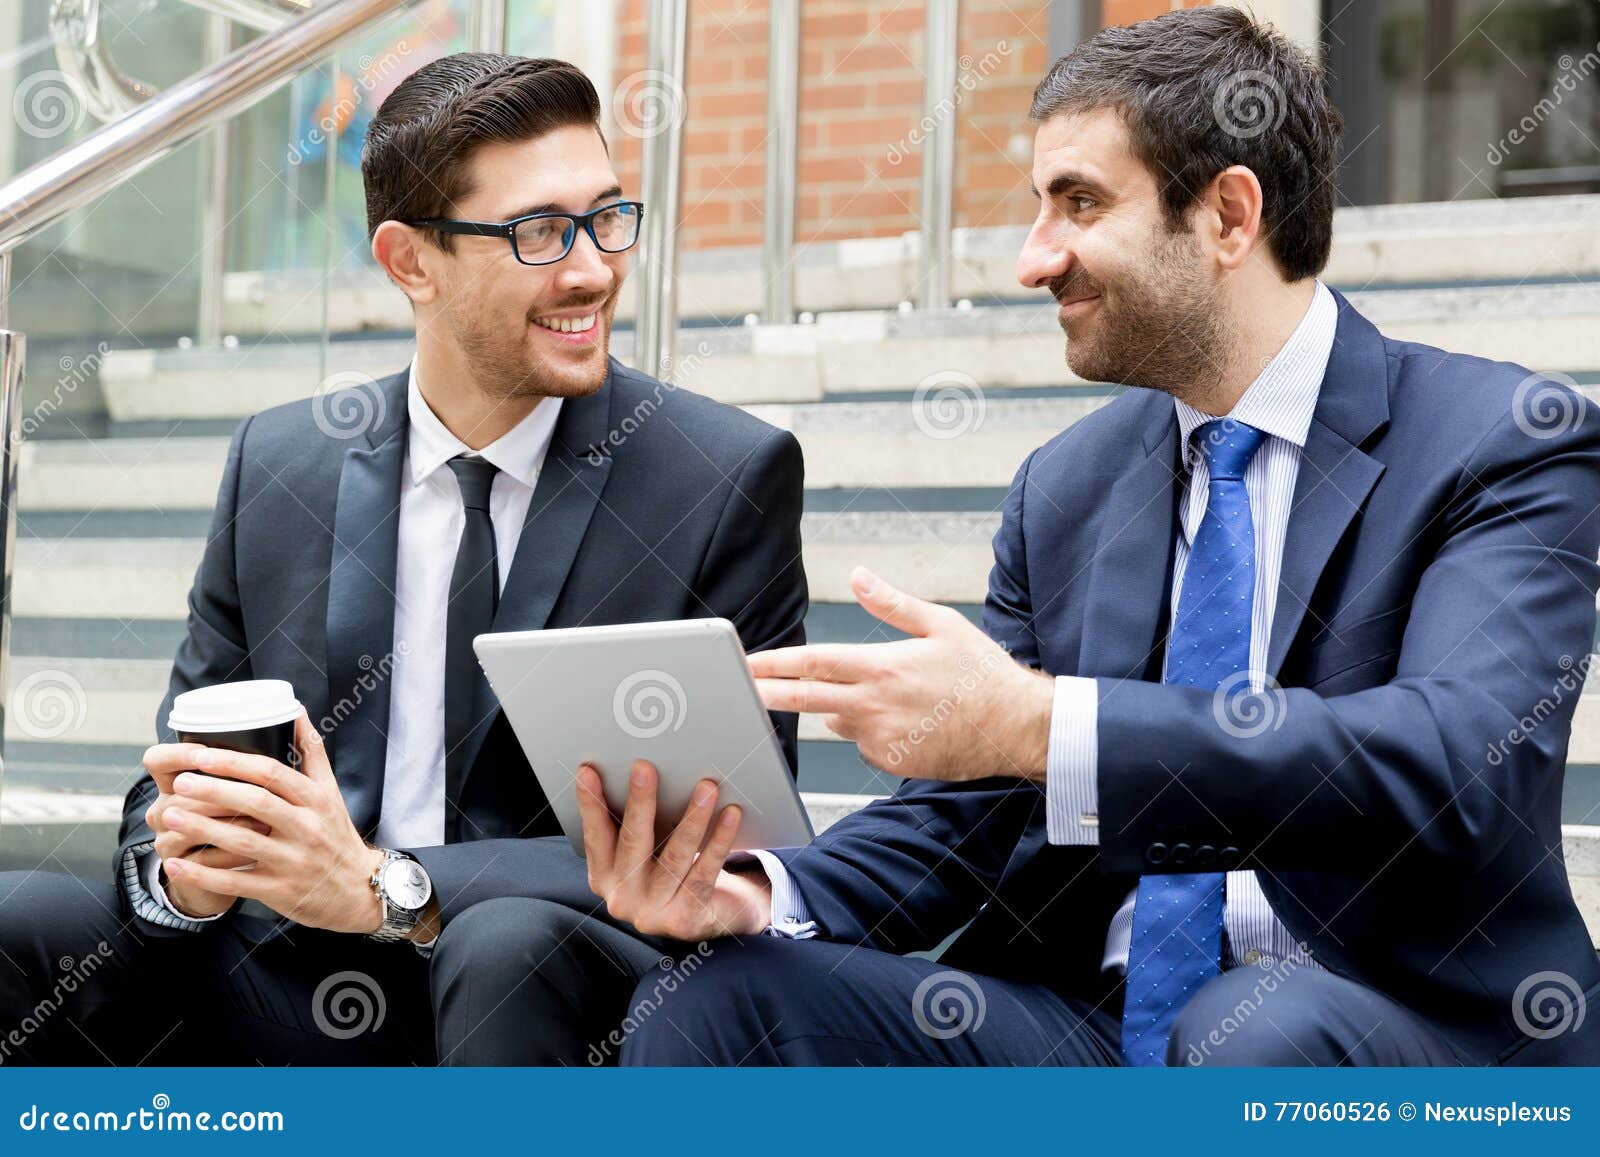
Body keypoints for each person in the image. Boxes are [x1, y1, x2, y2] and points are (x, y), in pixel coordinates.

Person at [583, 8, 1600, 1067]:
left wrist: (1045, 723)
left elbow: (1449, 765)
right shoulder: (1066, 487)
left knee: (1247, 1035)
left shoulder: (1500, 441)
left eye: (1078, 203)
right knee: (716, 998)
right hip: (1099, 1027)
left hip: (1402, 1034)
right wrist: (756, 887)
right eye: (1038, 207)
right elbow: (964, 815)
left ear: (1228, 215)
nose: (1033, 259)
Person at [0, 53, 807, 1066]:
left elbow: (732, 848)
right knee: (20, 918)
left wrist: (390, 886)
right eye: (539, 232)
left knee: (500, 947)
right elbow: (175, 776)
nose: (594, 268)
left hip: (544, 984)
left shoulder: (718, 476)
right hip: (293, 975)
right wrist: (188, 868)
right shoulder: (280, 464)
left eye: (607, 216)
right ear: (409, 260)